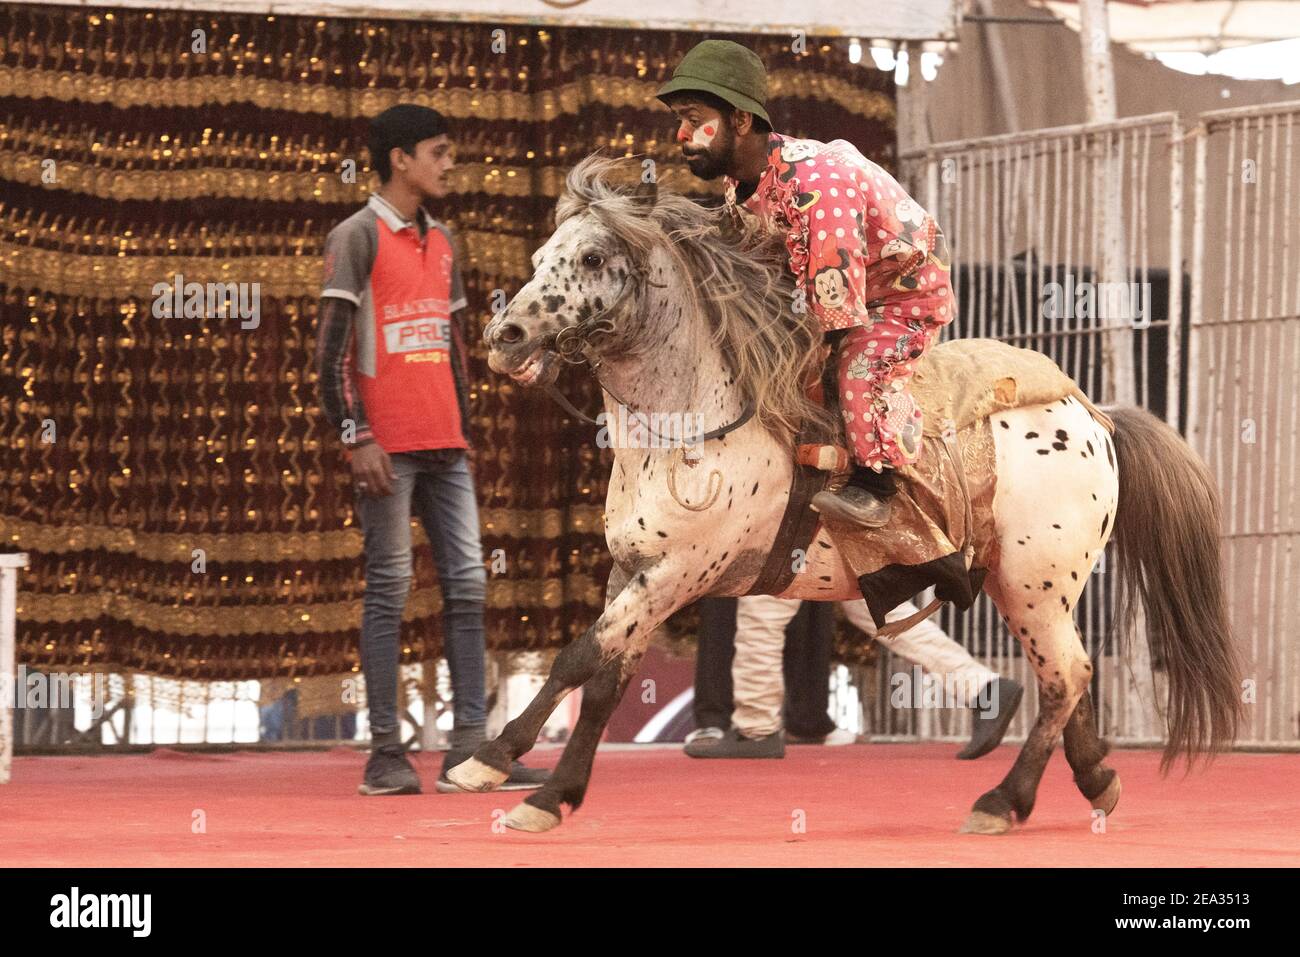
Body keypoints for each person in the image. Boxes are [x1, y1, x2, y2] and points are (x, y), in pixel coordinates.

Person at [316, 104, 548, 796]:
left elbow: (452, 350)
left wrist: (464, 429)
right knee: (388, 589)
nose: (449, 165)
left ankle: (469, 750)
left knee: (469, 588)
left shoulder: (443, 240)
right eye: (439, 152)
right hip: (387, 447)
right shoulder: (355, 236)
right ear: (400, 160)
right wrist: (355, 435)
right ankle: (385, 756)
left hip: (446, 447)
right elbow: (329, 356)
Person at [658, 40, 954, 530]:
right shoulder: (743, 186)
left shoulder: (818, 180)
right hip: (830, 298)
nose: (682, 134)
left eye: (693, 118)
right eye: (681, 121)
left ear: (741, 121)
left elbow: (834, 303)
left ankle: (878, 486)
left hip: (899, 300)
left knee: (855, 366)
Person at [685, 595, 1023, 759]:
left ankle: (756, 730)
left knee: (762, 609)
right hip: (850, 510)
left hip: (806, 509)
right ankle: (983, 687)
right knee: (881, 610)